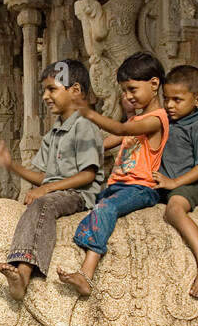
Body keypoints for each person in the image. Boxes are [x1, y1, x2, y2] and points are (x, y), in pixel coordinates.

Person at [0, 59, 105, 302]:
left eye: (51, 89)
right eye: (44, 90)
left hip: (77, 194)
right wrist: (12, 165)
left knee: (42, 206)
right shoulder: (53, 133)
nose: (45, 96)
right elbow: (43, 175)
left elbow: (88, 174)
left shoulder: (84, 126)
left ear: (74, 91)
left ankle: (23, 274)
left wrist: (47, 189)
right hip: (56, 190)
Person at [58, 52, 169, 297]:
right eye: (124, 91)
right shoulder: (140, 119)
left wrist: (87, 112)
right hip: (119, 186)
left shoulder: (156, 120)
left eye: (132, 89)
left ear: (154, 84)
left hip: (141, 188)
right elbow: (107, 142)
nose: (127, 96)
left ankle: (86, 273)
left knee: (105, 209)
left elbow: (120, 128)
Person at [153, 64, 198, 297]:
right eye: (166, 99)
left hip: (188, 186)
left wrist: (174, 183)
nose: (170, 105)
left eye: (178, 100)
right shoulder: (164, 123)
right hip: (161, 184)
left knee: (174, 210)